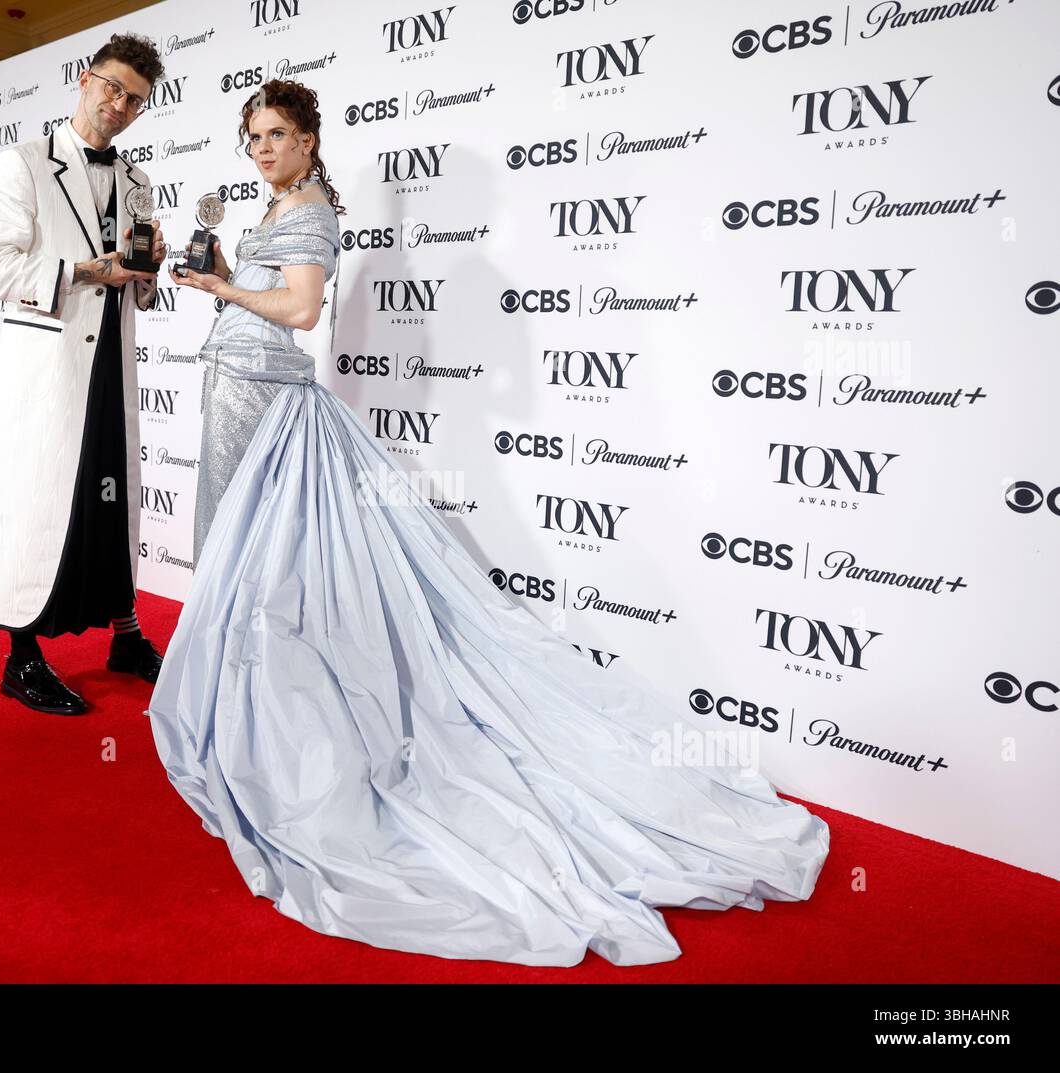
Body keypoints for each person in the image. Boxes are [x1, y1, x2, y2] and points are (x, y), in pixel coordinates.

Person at [147, 79, 830, 967]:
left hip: (272, 409)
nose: (264, 150)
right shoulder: (283, 203)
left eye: (278, 134)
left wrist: (221, 289)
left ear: (312, 141)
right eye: (253, 137)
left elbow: (304, 313)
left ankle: (291, 749)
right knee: (254, 581)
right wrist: (223, 281)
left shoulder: (310, 210)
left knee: (276, 586)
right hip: (238, 399)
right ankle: (256, 730)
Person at [0, 33, 170, 715]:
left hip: (110, 362)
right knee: (40, 504)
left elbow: (139, 288)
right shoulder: (22, 162)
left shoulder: (137, 180)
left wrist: (148, 270)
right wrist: (82, 269)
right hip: (49, 371)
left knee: (110, 502)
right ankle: (21, 660)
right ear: (84, 79)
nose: (120, 104)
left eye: (135, 98)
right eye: (112, 86)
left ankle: (125, 635)